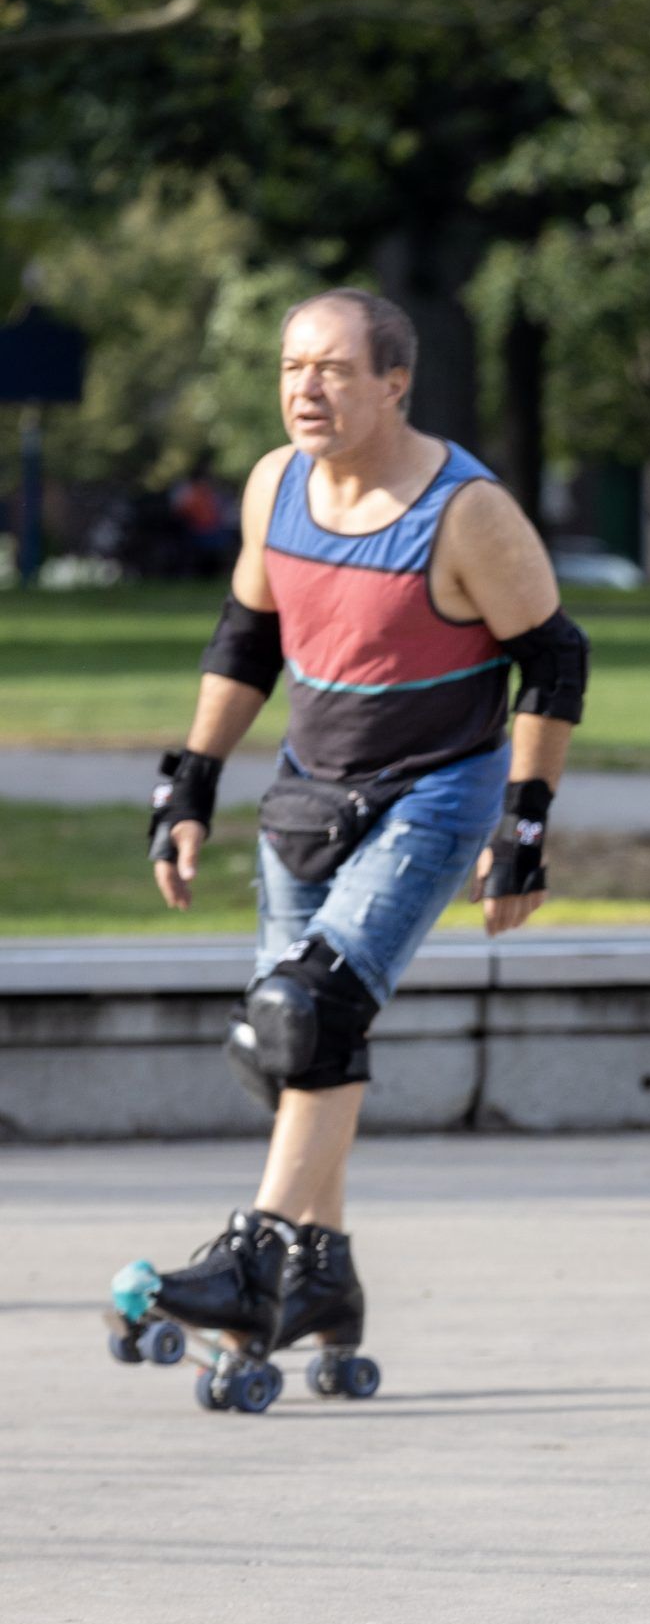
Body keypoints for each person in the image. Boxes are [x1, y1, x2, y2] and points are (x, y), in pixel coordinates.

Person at [106, 287, 588, 1412]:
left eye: (331, 368)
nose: (306, 389)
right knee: (288, 1046)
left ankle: (252, 1262)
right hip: (306, 797)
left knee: (308, 1013)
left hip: (433, 793)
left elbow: (554, 663)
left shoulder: (468, 512)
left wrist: (522, 827)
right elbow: (250, 633)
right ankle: (322, 1281)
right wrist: (192, 779)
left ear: (393, 383)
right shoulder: (277, 485)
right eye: (291, 369)